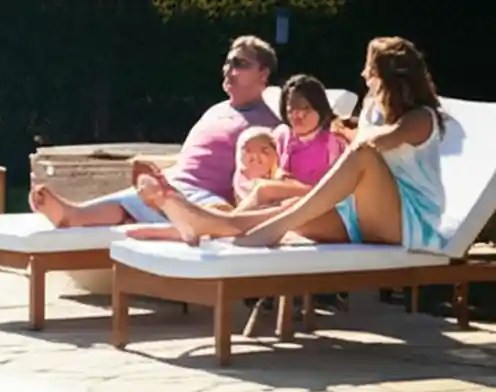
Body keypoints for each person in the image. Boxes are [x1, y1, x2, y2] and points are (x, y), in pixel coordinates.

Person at [126, 36, 444, 251]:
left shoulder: (421, 117)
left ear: (389, 76)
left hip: (407, 222)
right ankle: (202, 223)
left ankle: (270, 228)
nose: (363, 74)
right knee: (281, 211)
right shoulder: (374, 109)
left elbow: (377, 144)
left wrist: (347, 132)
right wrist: (347, 129)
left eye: (370, 69)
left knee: (362, 157)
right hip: (363, 213)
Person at [29, 35, 281, 228]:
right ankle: (73, 215)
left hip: (206, 198)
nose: (228, 70)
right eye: (227, 62)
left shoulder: (267, 123)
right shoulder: (217, 110)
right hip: (173, 183)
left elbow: (263, 177)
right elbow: (191, 158)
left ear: (263, 74)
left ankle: (166, 207)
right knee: (129, 202)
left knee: (193, 207)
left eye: (240, 64)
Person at [236, 74, 348, 211]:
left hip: (320, 201)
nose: (298, 114)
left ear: (319, 109)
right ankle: (233, 220)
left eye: (305, 108)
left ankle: (231, 220)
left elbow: (339, 187)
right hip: (283, 201)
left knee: (265, 190)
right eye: (291, 109)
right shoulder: (282, 135)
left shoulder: (333, 141)